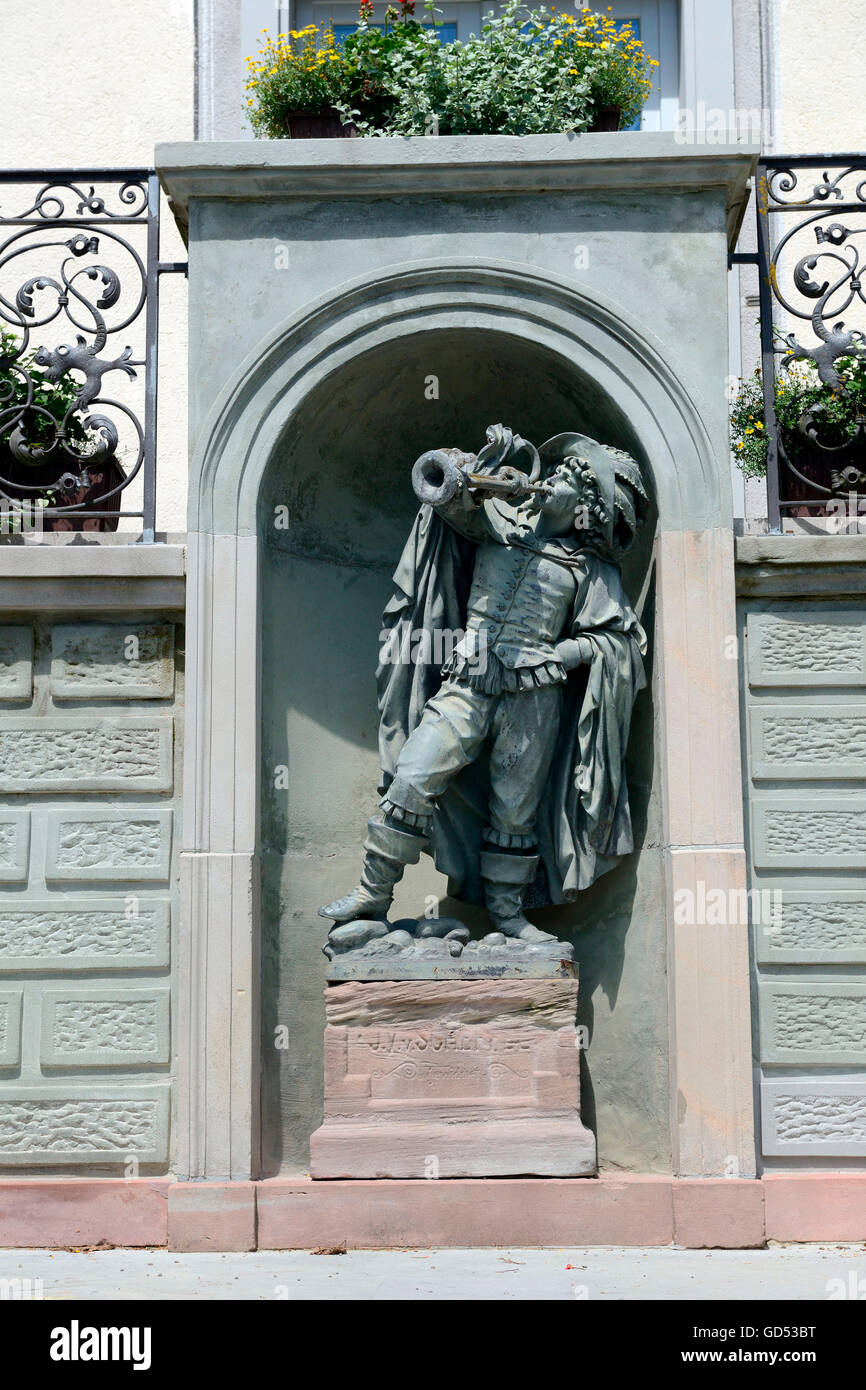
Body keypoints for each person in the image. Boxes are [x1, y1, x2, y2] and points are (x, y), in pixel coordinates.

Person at [320, 425, 647, 946]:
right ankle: (373, 893)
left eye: (572, 480)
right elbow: (450, 494)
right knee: (414, 774)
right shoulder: (499, 521)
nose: (559, 480)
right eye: (560, 472)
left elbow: (623, 643)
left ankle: (508, 915)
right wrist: (493, 459)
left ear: (587, 505)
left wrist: (566, 651)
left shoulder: (590, 568)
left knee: (514, 811)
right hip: (468, 680)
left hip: (536, 696)